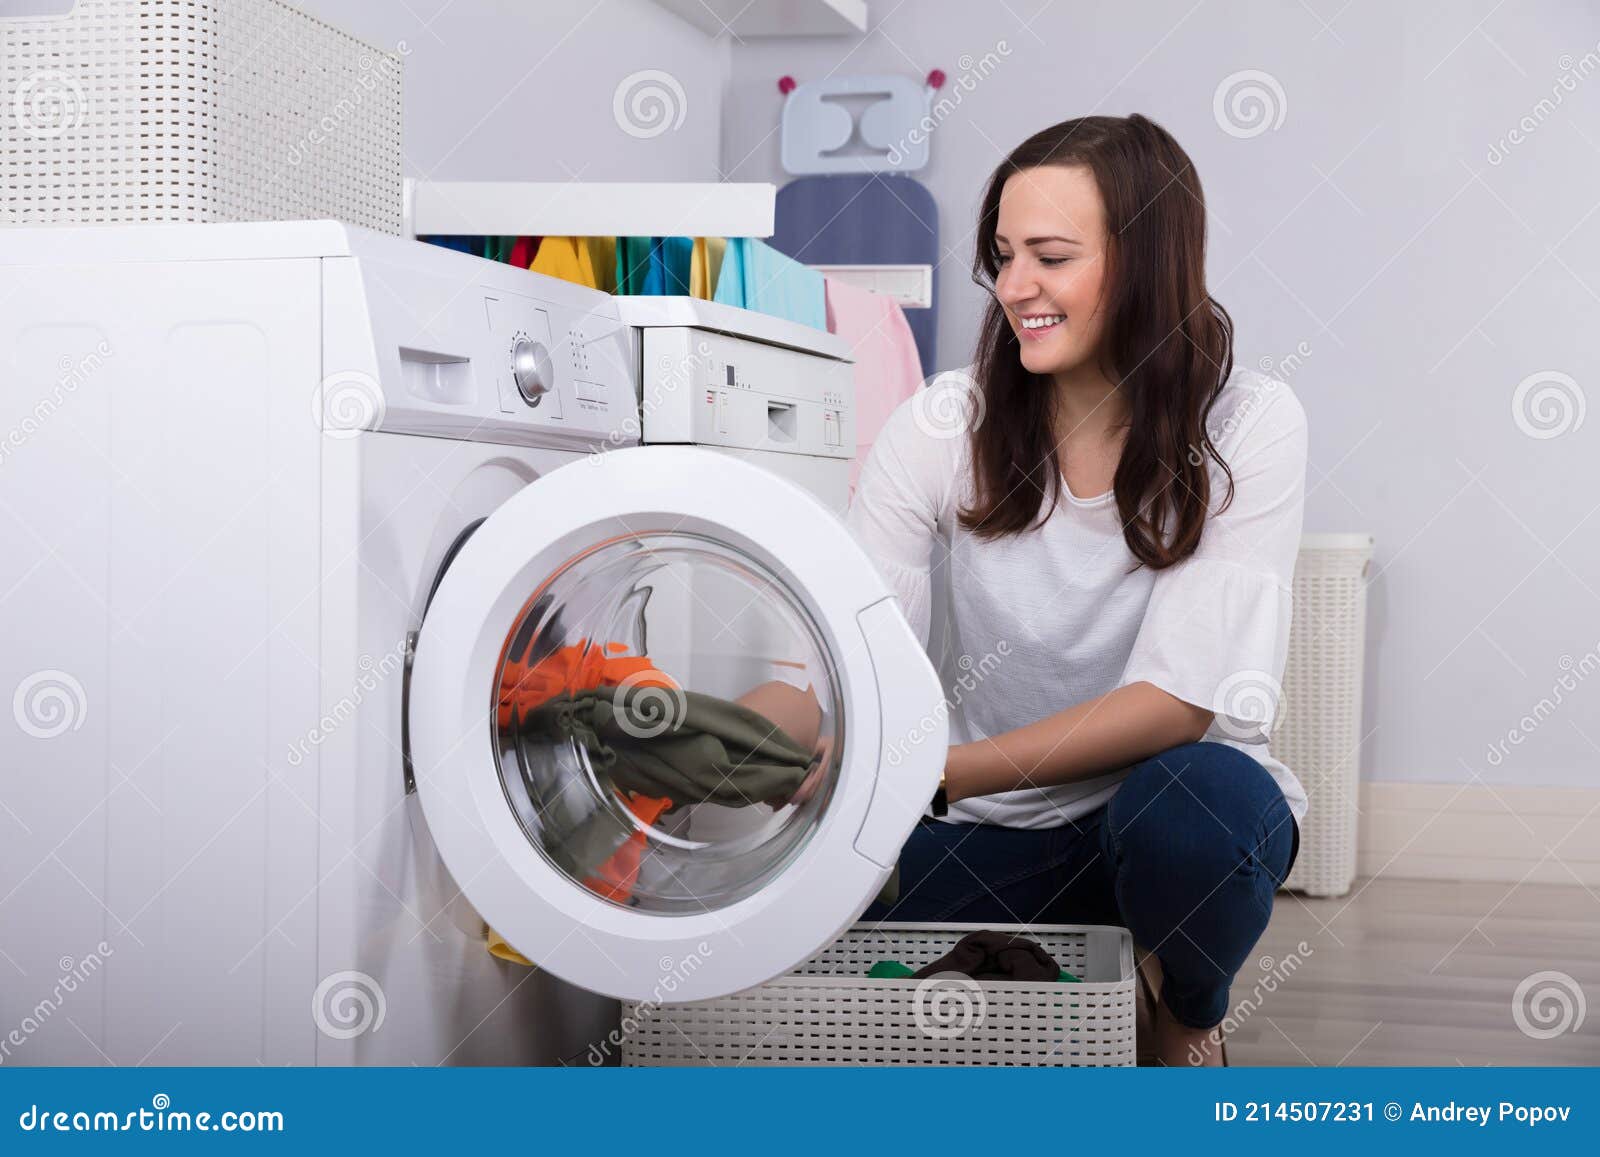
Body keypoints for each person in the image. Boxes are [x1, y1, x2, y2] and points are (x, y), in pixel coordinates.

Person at [847, 114, 1307, 1067]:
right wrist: (712, 734)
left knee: (1198, 813)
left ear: (1146, 264)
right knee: (946, 1057)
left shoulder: (1248, 421)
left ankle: (1187, 1013)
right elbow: (852, 650)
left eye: (1050, 257)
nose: (1015, 289)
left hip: (1167, 807)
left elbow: (1179, 701)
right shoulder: (943, 423)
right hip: (994, 824)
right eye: (1004, 256)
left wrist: (940, 772)